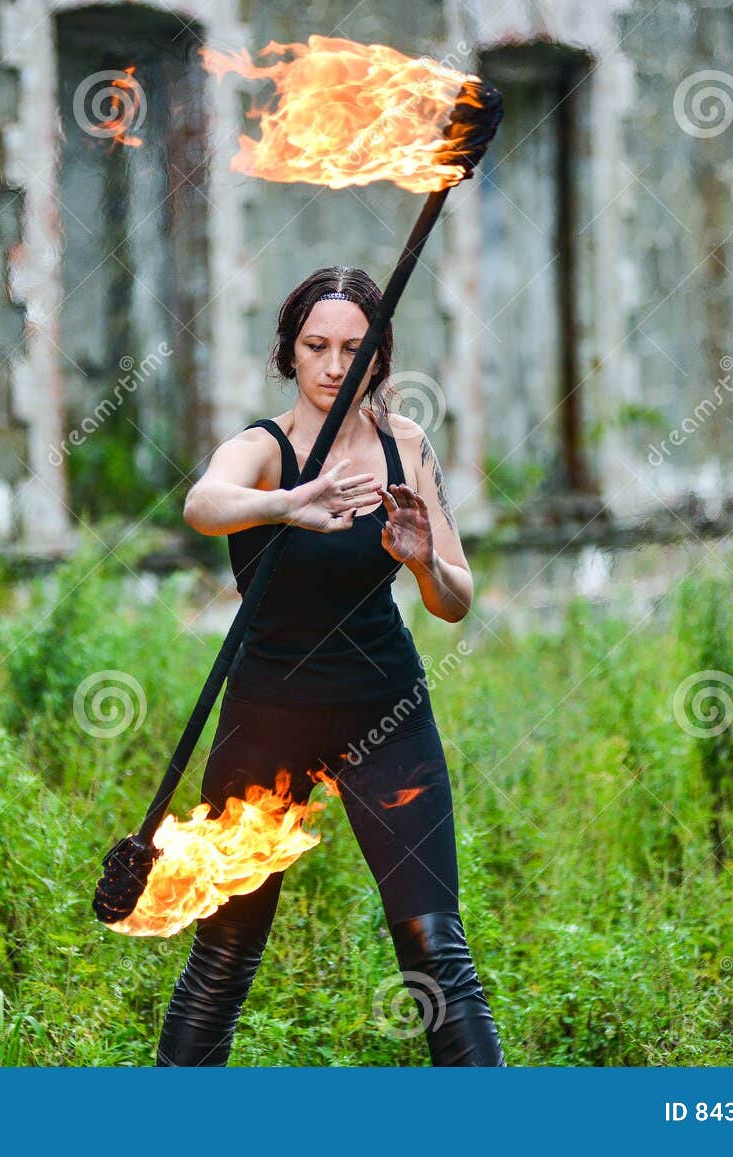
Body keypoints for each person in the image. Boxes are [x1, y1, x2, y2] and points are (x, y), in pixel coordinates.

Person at [156, 265, 506, 1067]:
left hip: (383, 710)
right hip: (268, 716)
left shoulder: (405, 446)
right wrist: (288, 502)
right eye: (316, 345)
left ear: (379, 357)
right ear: (290, 352)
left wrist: (421, 562)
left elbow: (457, 597)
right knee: (226, 945)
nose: (334, 364)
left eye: (354, 347)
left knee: (434, 944)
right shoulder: (261, 449)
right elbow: (202, 505)